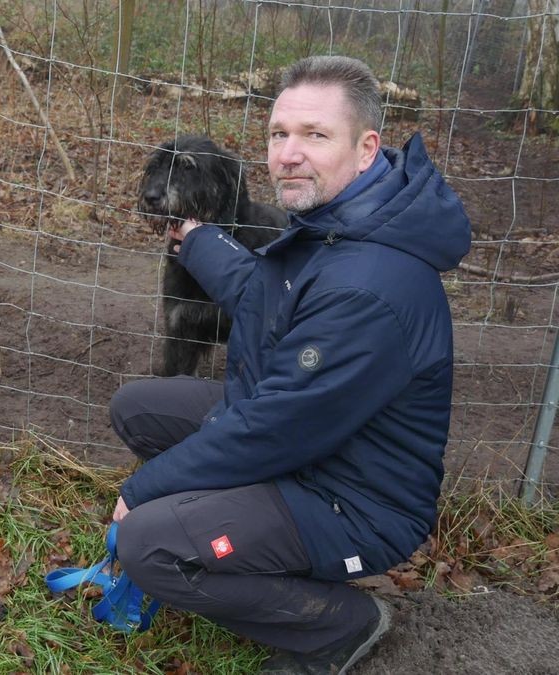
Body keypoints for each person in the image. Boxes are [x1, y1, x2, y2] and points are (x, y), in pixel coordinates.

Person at [108, 55, 471, 674]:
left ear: (366, 148)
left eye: (315, 135)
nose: (289, 153)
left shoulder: (370, 284)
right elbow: (264, 300)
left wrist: (142, 492)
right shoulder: (340, 223)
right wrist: (198, 239)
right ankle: (225, 536)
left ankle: (339, 627)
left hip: (353, 502)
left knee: (149, 544)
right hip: (314, 449)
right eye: (280, 134)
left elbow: (275, 428)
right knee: (139, 409)